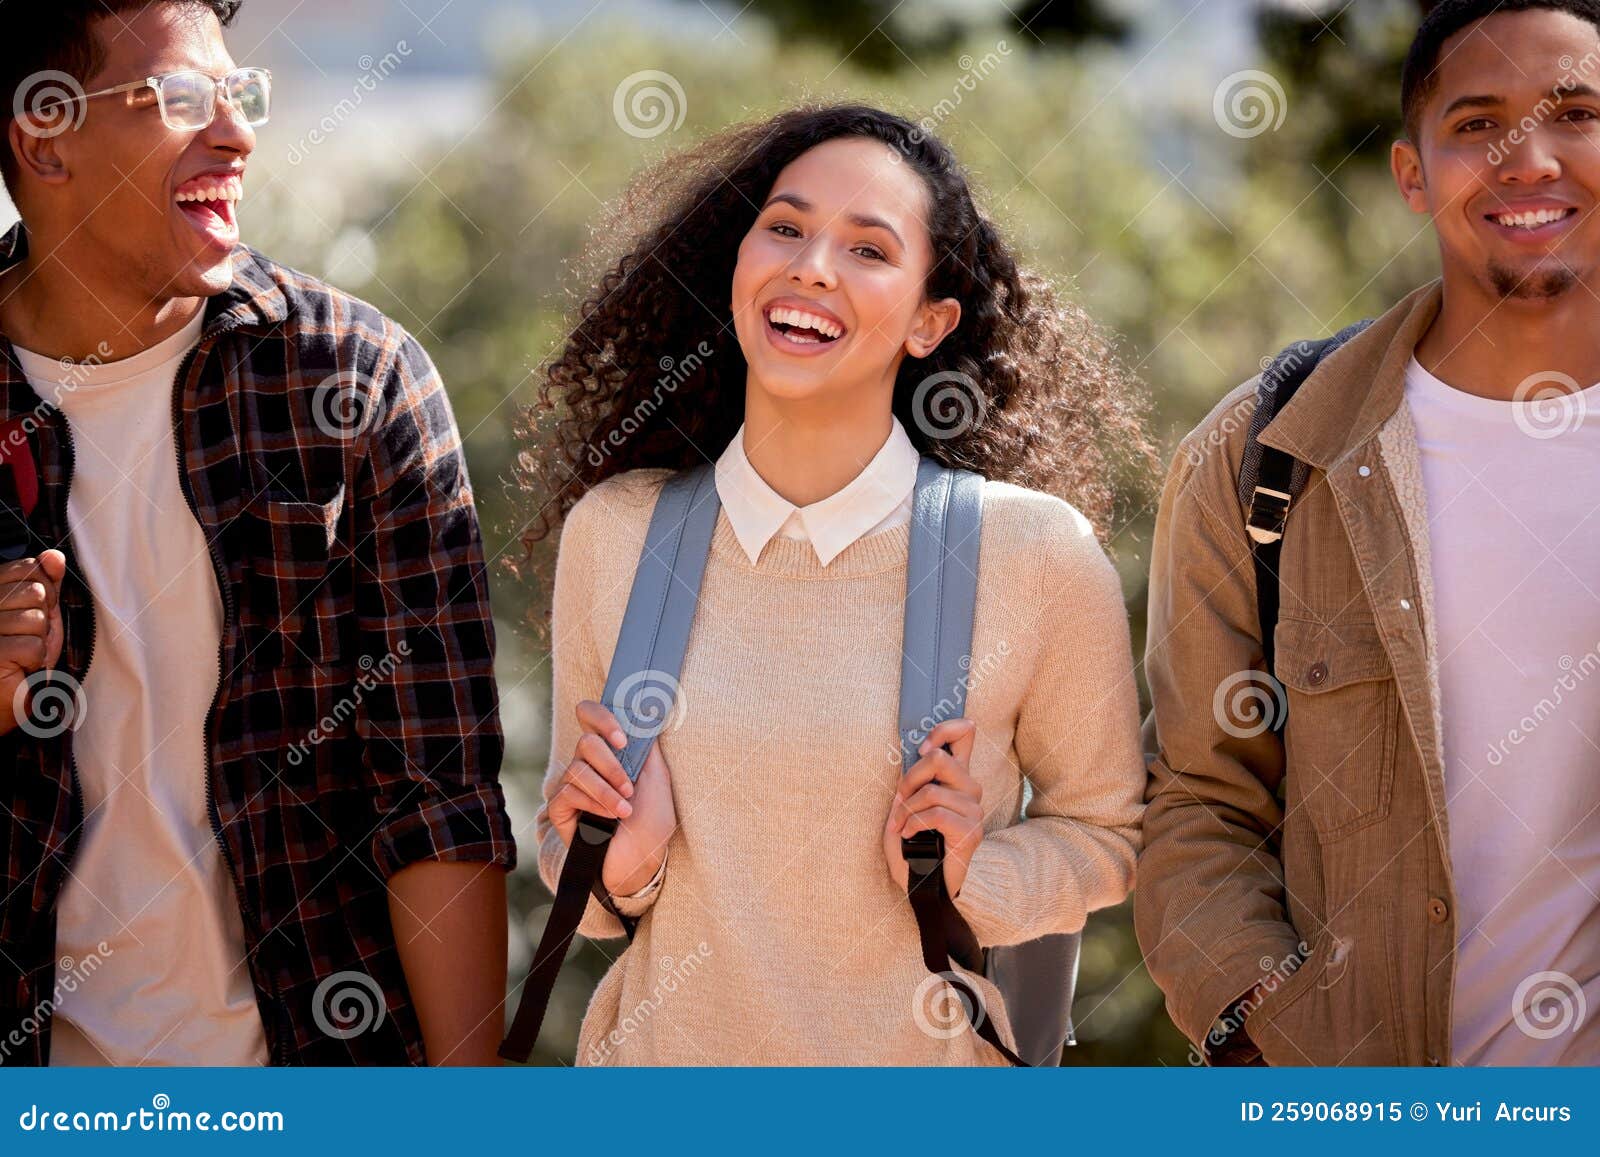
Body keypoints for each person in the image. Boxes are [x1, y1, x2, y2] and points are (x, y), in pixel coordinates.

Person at [514, 103, 1150, 1065]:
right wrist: (620, 861)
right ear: (739, 264)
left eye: (868, 249)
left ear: (931, 321)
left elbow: (1105, 835)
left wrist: (970, 877)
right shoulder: (617, 533)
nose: (812, 266)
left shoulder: (1036, 555)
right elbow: (580, 872)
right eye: (785, 227)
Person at [0, 0, 513, 1065]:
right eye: (186, 97)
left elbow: (436, 797)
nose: (236, 134)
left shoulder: (354, 383)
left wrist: (467, 1114)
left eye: (242, 94)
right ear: (44, 137)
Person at [1138, 0, 1600, 1066]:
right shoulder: (1261, 452)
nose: (1528, 159)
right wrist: (1267, 1030)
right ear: (1412, 174)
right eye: (1477, 124)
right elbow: (1198, 800)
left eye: (1575, 113)